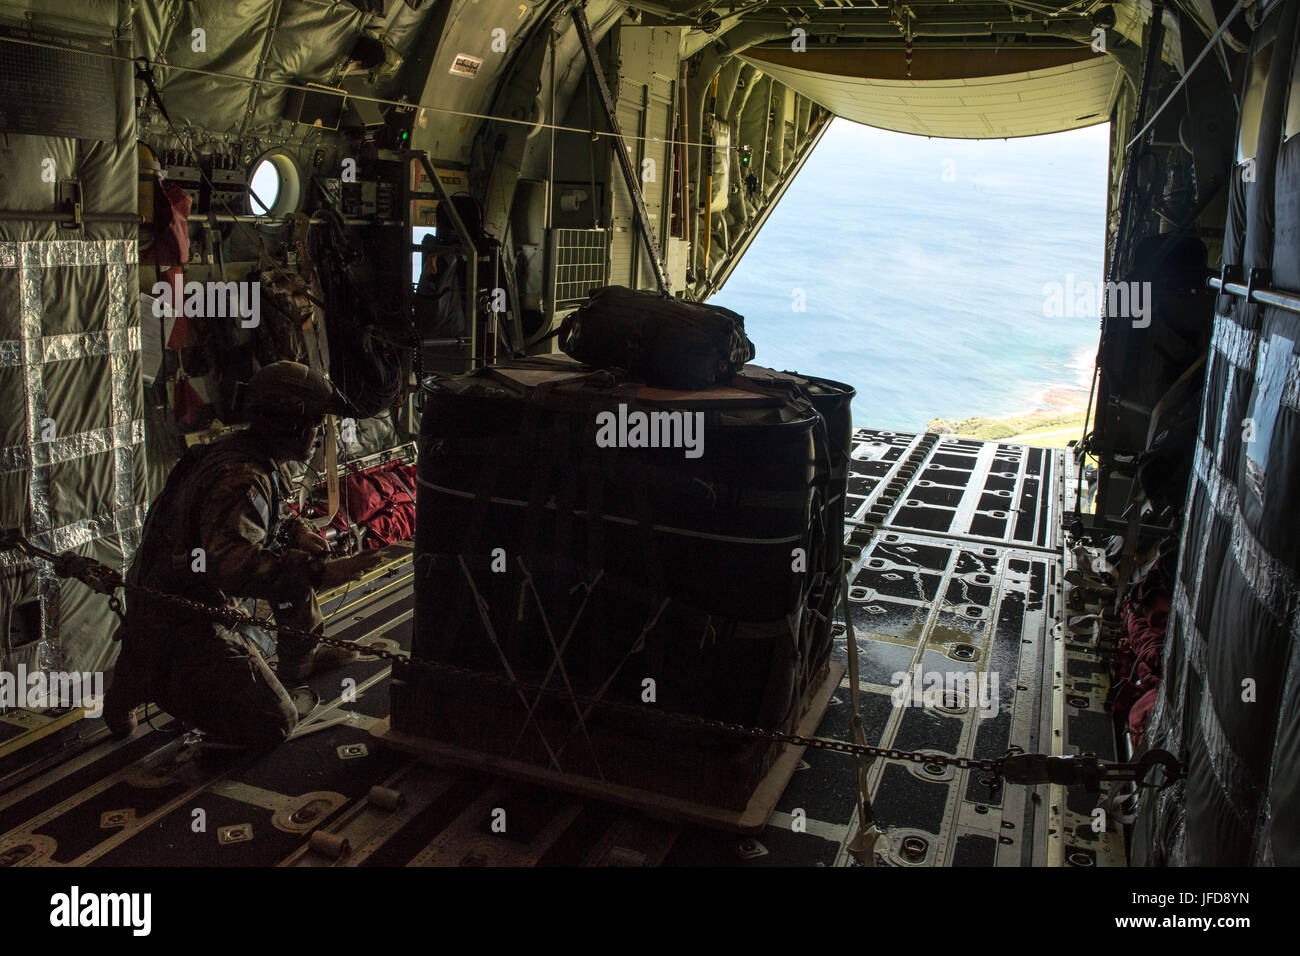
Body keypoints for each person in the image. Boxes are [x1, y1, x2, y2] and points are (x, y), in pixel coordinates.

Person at [103, 361, 386, 746]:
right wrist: (324, 574)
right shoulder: (241, 476)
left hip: (179, 602)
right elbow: (231, 566)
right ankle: (152, 675)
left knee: (292, 571)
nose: (320, 433)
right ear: (291, 424)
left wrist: (295, 531)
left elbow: (263, 519)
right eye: (317, 422)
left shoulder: (248, 457)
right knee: (275, 721)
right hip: (184, 619)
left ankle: (297, 657)